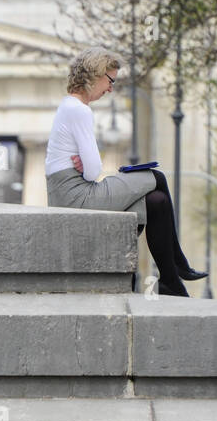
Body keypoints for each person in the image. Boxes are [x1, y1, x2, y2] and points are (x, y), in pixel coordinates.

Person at [44, 46, 207, 297]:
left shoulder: (68, 106)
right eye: (110, 81)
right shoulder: (79, 110)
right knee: (156, 177)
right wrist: (86, 165)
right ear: (95, 75)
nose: (110, 88)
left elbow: (87, 166)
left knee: (157, 201)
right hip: (78, 197)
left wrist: (84, 164)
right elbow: (93, 171)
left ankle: (171, 279)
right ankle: (177, 267)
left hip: (69, 194)